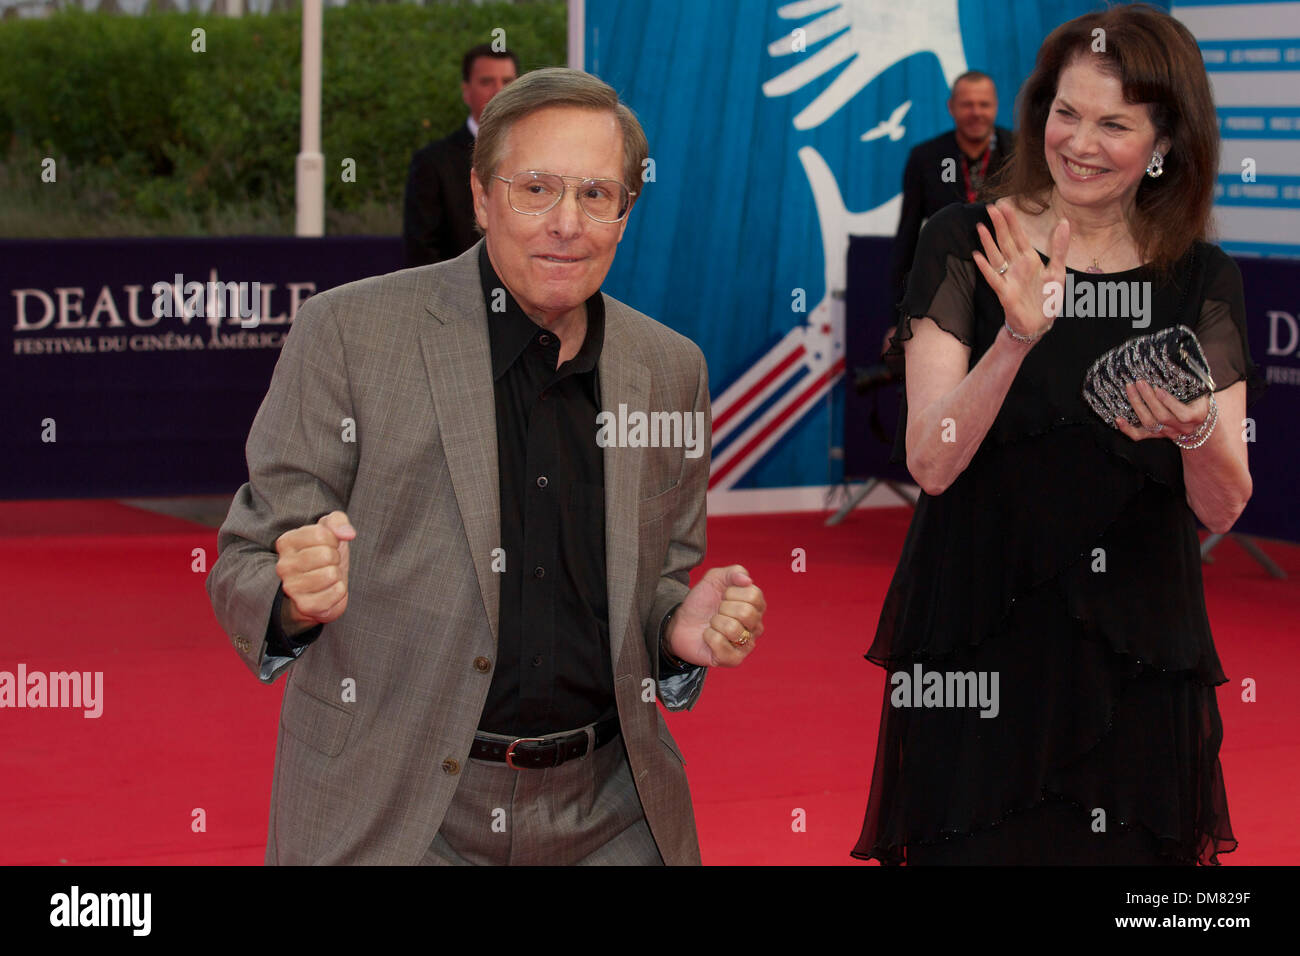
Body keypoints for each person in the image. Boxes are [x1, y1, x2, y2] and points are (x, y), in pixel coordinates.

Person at [207, 67, 767, 866]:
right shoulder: (349, 336)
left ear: (625, 213)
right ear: (480, 198)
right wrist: (291, 595)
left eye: (597, 195)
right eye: (534, 188)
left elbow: (661, 578)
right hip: (402, 808)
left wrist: (676, 632)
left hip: (611, 807)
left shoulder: (672, 368)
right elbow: (246, 562)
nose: (565, 223)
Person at [853, 4, 1261, 865]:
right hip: (978, 635)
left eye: (1114, 123)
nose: (1079, 140)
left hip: (1138, 649)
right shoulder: (965, 242)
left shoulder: (1200, 279)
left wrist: (1195, 436)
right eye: (1065, 112)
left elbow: (1224, 506)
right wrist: (1014, 340)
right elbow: (930, 459)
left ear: (1163, 144)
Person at [888, 71, 1014, 306]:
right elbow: (907, 236)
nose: (976, 113)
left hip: (1008, 288)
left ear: (995, 107)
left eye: (983, 104)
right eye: (967, 105)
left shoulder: (1020, 155)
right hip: (943, 289)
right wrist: (897, 317)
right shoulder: (924, 157)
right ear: (951, 107)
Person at [402, 44, 519, 267]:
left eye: (507, 82)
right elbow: (422, 251)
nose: (498, 91)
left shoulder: (540, 157)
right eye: (486, 82)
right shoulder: (432, 163)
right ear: (466, 91)